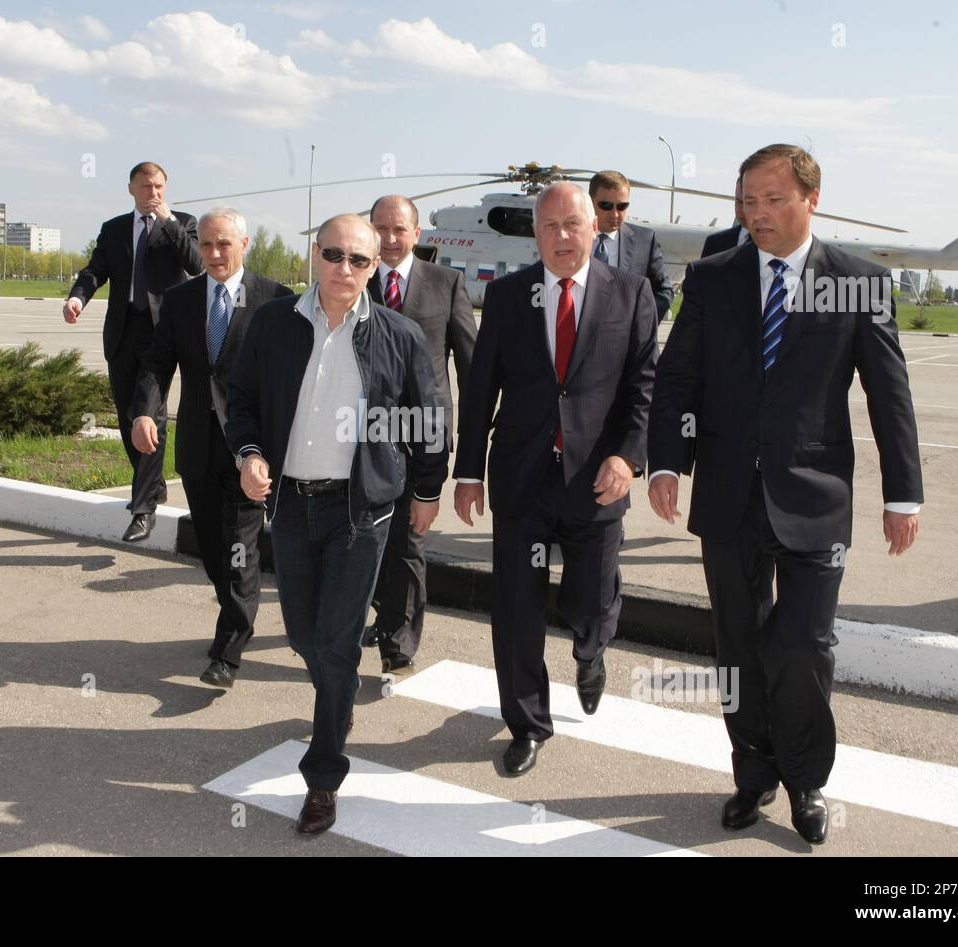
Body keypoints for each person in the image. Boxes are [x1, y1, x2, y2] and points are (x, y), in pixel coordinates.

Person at [646, 144, 923, 845]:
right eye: (748, 201)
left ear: (811, 199)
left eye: (772, 200)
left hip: (815, 499)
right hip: (728, 494)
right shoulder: (712, 279)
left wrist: (903, 494)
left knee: (802, 644)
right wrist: (666, 462)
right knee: (737, 646)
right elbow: (678, 377)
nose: (758, 213)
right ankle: (753, 773)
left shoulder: (858, 282)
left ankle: (805, 779)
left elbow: (888, 392)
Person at [225, 214, 446, 835]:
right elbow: (241, 400)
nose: (344, 269)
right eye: (333, 255)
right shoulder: (273, 323)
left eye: (358, 260)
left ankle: (323, 776)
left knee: (337, 642)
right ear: (314, 256)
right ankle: (338, 695)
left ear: (374, 267)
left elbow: (427, 418)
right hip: (291, 507)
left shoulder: (399, 335)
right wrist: (249, 455)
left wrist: (427, 490)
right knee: (303, 635)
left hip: (361, 512)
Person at [453, 182, 656, 777]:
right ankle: (527, 724)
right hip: (522, 478)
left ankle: (591, 651)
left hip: (598, 478)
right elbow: (481, 388)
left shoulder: (631, 293)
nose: (562, 236)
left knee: (590, 600)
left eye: (572, 224)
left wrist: (628, 457)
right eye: (549, 226)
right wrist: (468, 472)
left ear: (595, 227)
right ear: (535, 235)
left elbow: (645, 386)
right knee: (517, 608)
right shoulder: (508, 296)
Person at [130, 208, 291, 688]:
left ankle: (228, 649)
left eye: (224, 243)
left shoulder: (276, 300)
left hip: (251, 450)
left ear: (245, 244)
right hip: (198, 446)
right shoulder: (179, 300)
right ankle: (235, 613)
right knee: (213, 548)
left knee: (241, 543)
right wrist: (144, 412)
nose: (214, 253)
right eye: (205, 244)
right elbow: (156, 363)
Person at [363, 194, 478, 675]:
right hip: (363, 434)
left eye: (399, 229)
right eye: (380, 229)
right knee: (367, 535)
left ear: (416, 233)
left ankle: (398, 644)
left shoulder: (446, 283)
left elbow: (471, 366)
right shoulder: (354, 277)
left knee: (409, 541)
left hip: (423, 435)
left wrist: (473, 440)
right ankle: (382, 610)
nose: (389, 239)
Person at [64, 161, 202, 543]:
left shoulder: (183, 223)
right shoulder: (114, 230)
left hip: (163, 335)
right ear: (131, 189)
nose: (153, 193)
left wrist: (169, 222)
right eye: (145, 187)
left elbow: (196, 264)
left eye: (159, 186)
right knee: (129, 415)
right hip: (123, 333)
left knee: (149, 413)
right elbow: (94, 271)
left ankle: (143, 508)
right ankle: (153, 484)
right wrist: (78, 298)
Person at [588, 170, 674, 320]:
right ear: (590, 202)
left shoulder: (644, 241)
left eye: (622, 206)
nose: (615, 214)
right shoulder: (571, 238)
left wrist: (640, 322)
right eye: (606, 205)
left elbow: (664, 292)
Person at [701, 178, 751, 257]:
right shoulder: (714, 243)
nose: (743, 210)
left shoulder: (772, 246)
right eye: (739, 201)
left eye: (750, 203)